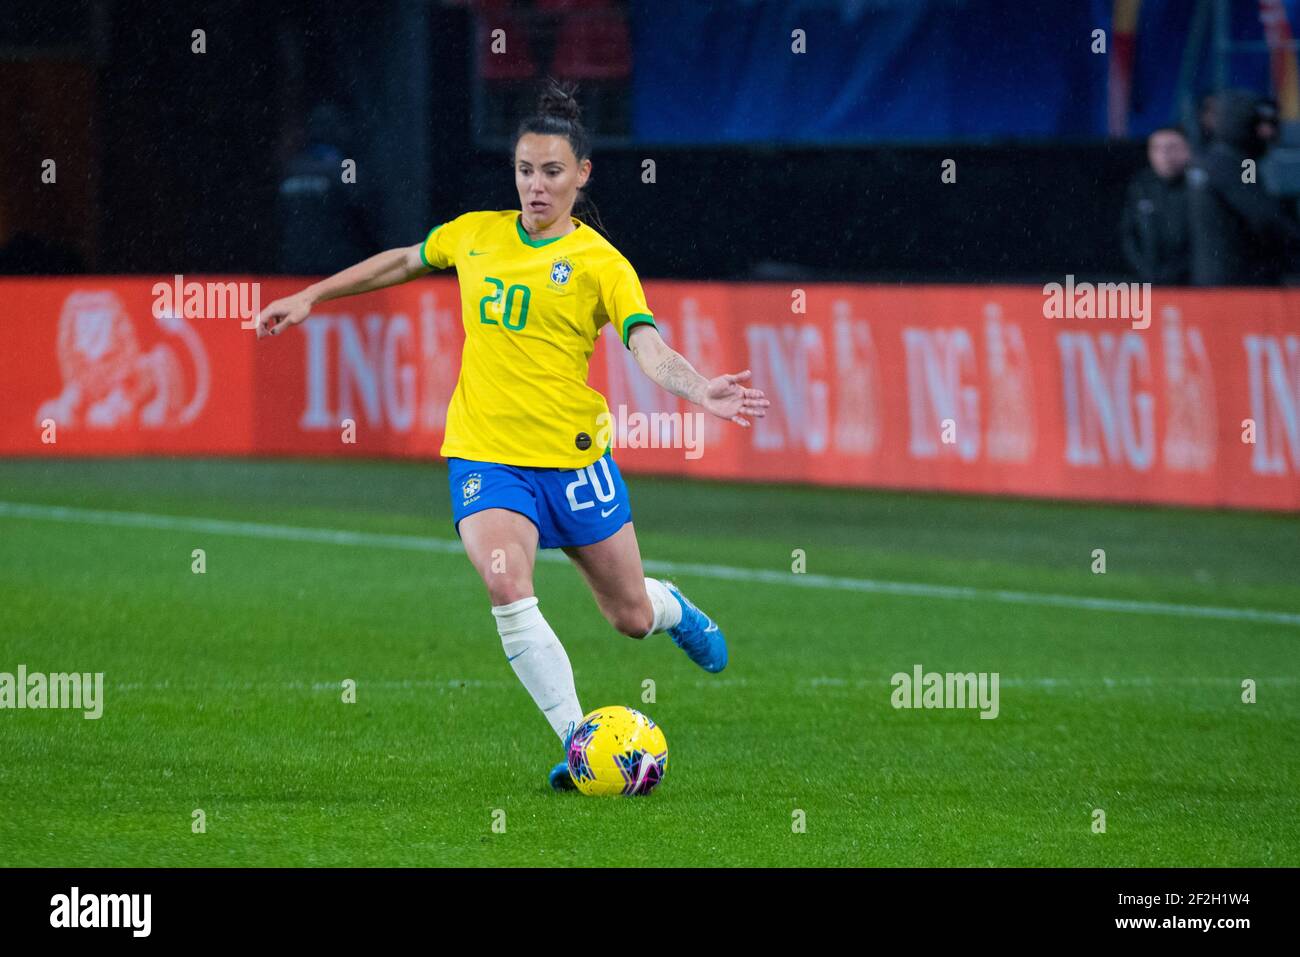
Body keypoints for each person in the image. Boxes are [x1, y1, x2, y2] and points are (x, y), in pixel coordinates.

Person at [255, 80, 769, 790]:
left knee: (627, 614)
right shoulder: (477, 234)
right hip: (487, 456)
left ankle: (670, 605)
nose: (535, 185)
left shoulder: (601, 264)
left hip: (574, 460)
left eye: (552, 171)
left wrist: (697, 386)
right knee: (507, 583)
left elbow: (645, 344)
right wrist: (313, 293)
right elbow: (406, 258)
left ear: (581, 175)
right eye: (525, 169)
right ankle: (578, 743)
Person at [1188, 88, 1300, 285]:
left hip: (1218, 274)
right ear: (1240, 125)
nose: (1268, 132)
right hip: (1236, 280)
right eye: (1260, 125)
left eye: (1272, 124)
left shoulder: (1215, 158)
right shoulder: (1240, 164)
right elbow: (1262, 214)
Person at [1120, 127, 1191, 284]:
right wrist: (1145, 271)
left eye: (1171, 148)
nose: (1164, 155)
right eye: (1156, 148)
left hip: (1192, 284)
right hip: (1147, 281)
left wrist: (1177, 272)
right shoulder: (1140, 186)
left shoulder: (1199, 188)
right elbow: (1129, 236)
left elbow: (1205, 242)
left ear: (1188, 150)